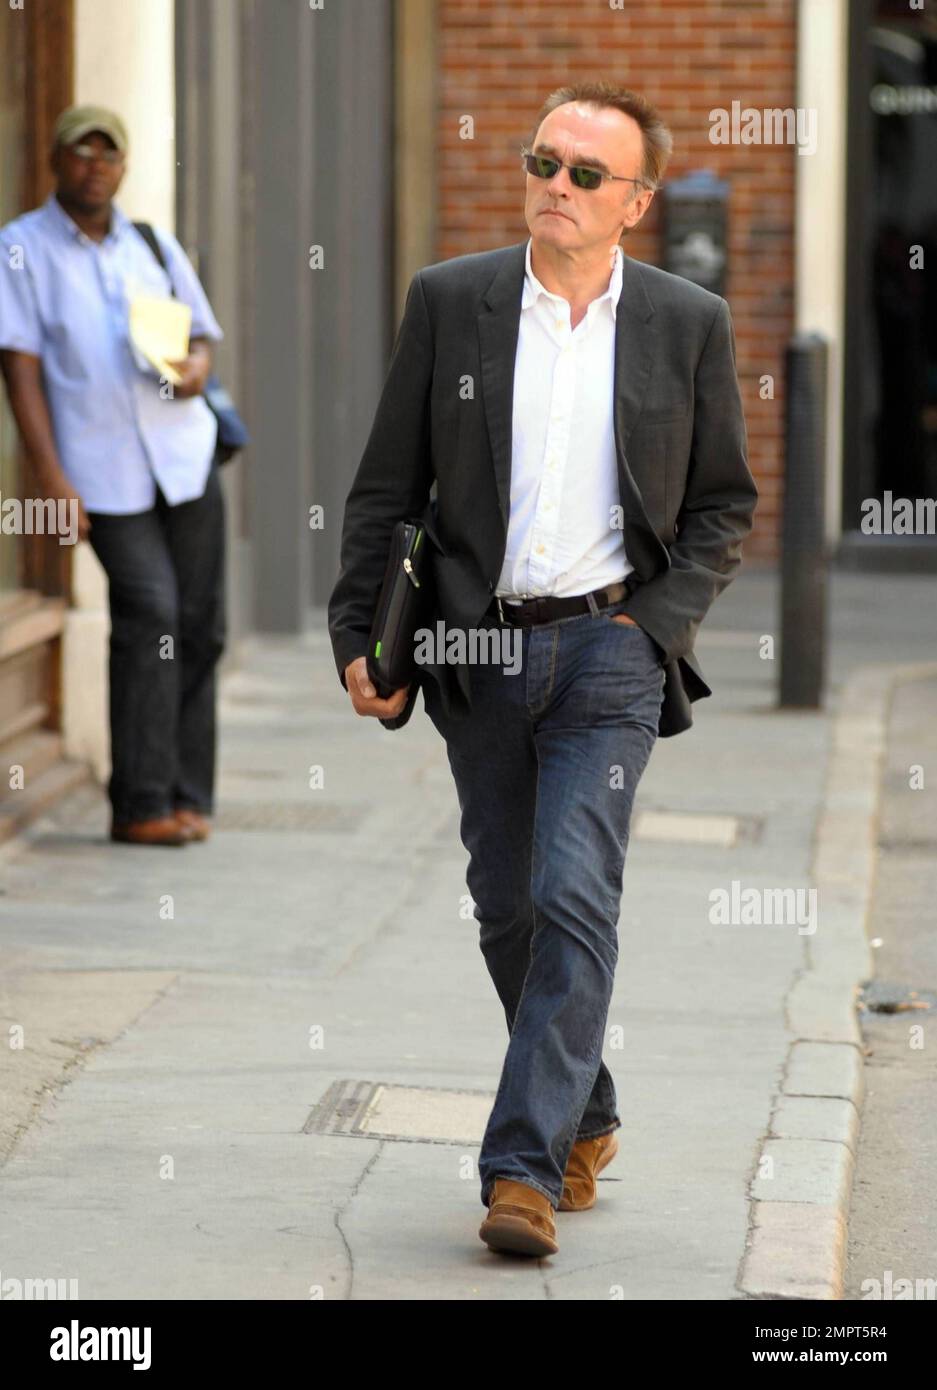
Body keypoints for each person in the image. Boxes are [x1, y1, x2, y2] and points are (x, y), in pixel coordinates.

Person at [328, 81, 757, 1257]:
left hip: (610, 652)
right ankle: (590, 1106)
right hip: (476, 646)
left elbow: (724, 505)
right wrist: (360, 641)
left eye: (584, 174)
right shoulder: (452, 300)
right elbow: (384, 489)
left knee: (574, 892)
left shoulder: (686, 320)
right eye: (542, 162)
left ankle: (519, 1169)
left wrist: (653, 625)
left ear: (635, 201)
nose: (554, 186)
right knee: (508, 904)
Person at [0, 104, 226, 847]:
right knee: (150, 615)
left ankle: (188, 795)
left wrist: (194, 370)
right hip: (98, 472)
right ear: (55, 161)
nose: (95, 164)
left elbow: (200, 335)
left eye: (109, 152)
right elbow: (21, 369)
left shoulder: (152, 244)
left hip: (184, 458)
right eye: (81, 151)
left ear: (123, 166)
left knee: (198, 625)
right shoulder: (21, 249)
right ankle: (138, 803)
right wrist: (51, 479)